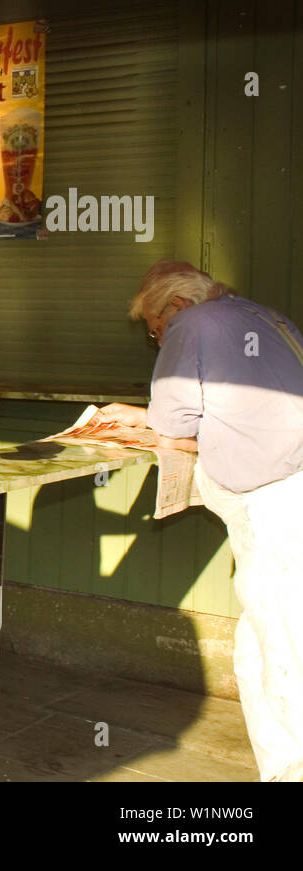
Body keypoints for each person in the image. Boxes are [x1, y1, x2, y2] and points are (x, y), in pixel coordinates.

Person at [99, 259, 303, 782]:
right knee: (257, 650)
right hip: (284, 495)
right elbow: (226, 408)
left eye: (155, 330)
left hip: (278, 505)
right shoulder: (261, 316)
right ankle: (282, 771)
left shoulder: (191, 325)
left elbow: (175, 422)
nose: (158, 338)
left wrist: (150, 420)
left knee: (285, 650)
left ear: (177, 307)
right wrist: (141, 416)